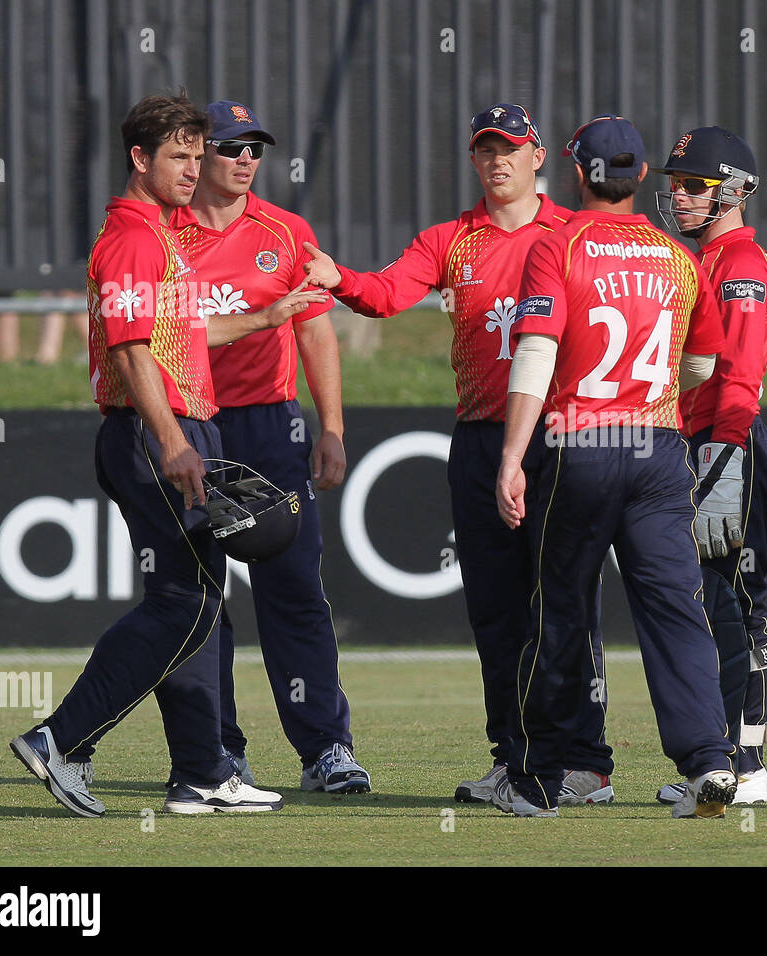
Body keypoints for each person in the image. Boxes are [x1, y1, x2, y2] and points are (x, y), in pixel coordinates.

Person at [8, 90, 317, 816]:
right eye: (177, 156)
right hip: (155, 432)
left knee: (196, 602)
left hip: (178, 425)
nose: (192, 168)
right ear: (139, 158)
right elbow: (132, 348)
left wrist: (264, 316)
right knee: (186, 601)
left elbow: (179, 334)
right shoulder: (132, 238)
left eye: (195, 154)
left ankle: (202, 772)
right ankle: (62, 741)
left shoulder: (161, 233)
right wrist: (175, 441)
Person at [302, 103, 615, 806]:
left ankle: (585, 762)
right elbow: (385, 295)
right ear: (474, 161)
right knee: (497, 609)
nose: (497, 159)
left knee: (564, 602)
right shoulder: (451, 240)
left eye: (510, 147)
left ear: (539, 156)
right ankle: (515, 757)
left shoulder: (575, 233)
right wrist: (336, 276)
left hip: (560, 437)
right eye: (485, 149)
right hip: (480, 437)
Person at [493, 114, 735, 818]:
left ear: (576, 174)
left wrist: (512, 455)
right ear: (638, 179)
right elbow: (701, 364)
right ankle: (708, 760)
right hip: (659, 448)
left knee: (560, 608)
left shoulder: (557, 244)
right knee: (674, 609)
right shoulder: (678, 255)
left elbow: (535, 353)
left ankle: (541, 776)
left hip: (583, 444)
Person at [169, 100, 368, 794]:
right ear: (198, 156)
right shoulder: (166, 233)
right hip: (191, 425)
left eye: (255, 147)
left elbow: (316, 332)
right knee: (198, 597)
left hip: (271, 429)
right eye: (231, 147)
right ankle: (219, 753)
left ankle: (326, 751)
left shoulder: (285, 232)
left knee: (294, 592)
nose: (246, 159)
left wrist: (333, 428)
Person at [648, 126, 767, 806]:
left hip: (729, 442)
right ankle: (732, 758)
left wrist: (723, 456)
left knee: (737, 605)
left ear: (734, 190)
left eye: (693, 186)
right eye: (675, 185)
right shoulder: (703, 260)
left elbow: (740, 374)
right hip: (706, 441)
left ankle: (746, 763)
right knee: (713, 604)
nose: (679, 197)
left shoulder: (742, 266)